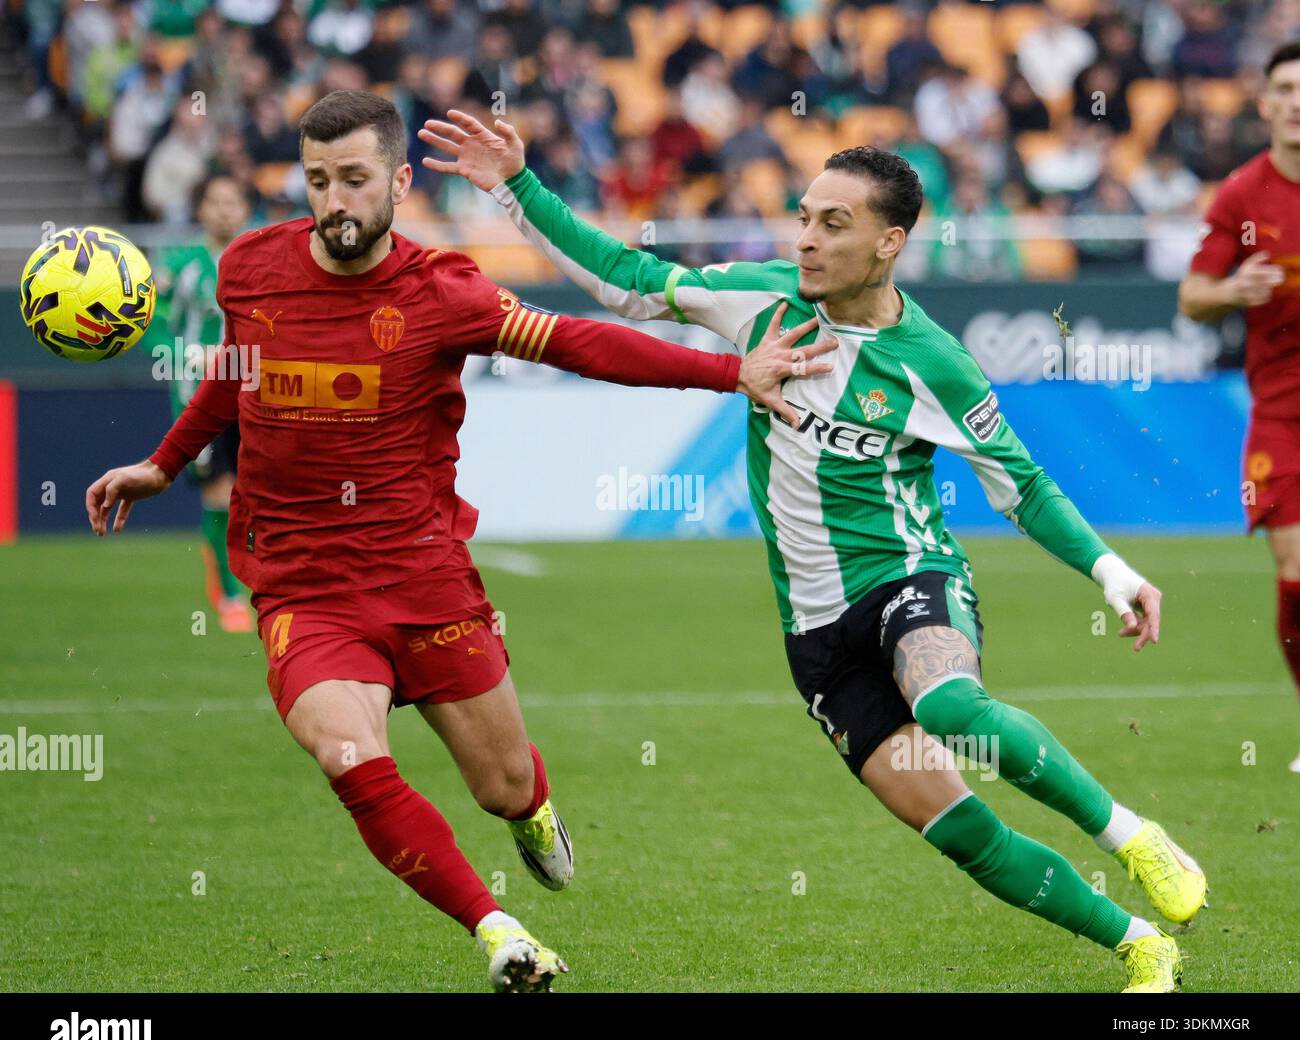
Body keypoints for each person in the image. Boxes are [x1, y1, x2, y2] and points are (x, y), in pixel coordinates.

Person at [422, 109, 1212, 992]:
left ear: (889, 243)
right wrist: (516, 187)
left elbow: (1021, 485)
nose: (805, 239)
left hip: (912, 582)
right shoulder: (761, 301)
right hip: (818, 638)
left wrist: (1113, 572)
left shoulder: (933, 363)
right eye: (803, 216)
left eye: (833, 225)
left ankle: (1131, 837)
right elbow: (628, 279)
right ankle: (1141, 944)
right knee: (962, 834)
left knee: (952, 706)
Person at [85, 90, 830, 993]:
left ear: (398, 181)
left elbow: (578, 343)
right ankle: (499, 930)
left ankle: (532, 812)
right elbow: (229, 377)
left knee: (503, 785)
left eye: (354, 179)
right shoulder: (251, 268)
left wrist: (727, 373)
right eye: (317, 181)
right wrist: (164, 466)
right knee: (345, 752)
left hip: (422, 579)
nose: (335, 201)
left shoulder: (443, 291)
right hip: (303, 584)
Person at [1179, 41, 1300, 773]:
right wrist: (1232, 291)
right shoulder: (1242, 195)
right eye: (1285, 89)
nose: (1297, 101)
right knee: (1294, 567)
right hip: (1283, 414)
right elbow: (1192, 297)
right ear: (1266, 104)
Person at [146, 173, 256, 632]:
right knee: (219, 494)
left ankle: (259, 584)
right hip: (198, 397)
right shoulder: (181, 263)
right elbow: (145, 321)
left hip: (252, 393)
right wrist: (180, 356)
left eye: (233, 201)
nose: (225, 210)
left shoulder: (259, 260)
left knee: (255, 495)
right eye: (215, 201)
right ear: (201, 210)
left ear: (245, 209)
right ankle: (230, 596)